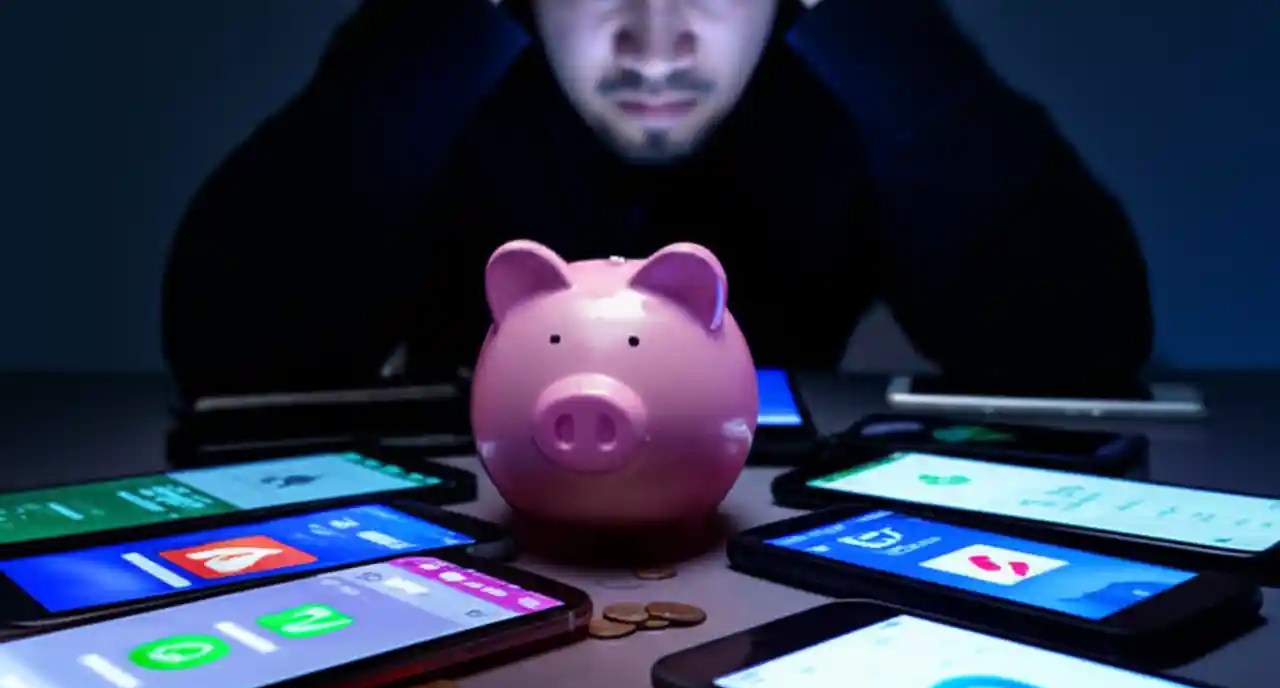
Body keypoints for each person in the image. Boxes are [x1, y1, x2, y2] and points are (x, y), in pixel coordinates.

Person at [161, 0, 1155, 400]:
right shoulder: (446, 59)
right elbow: (228, 347)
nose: (654, 41)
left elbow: (1080, 343)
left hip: (778, 548)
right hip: (478, 539)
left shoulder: (851, 73)